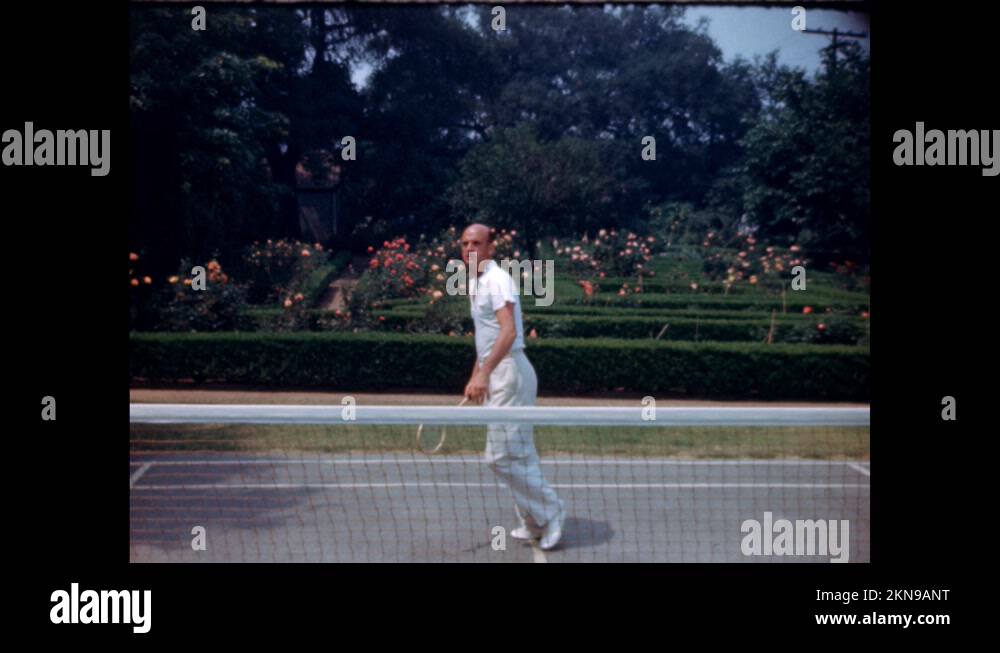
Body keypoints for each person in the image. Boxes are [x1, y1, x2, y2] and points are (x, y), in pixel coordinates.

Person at [459, 223, 566, 550]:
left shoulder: (497, 280)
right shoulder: (477, 284)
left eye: (476, 243)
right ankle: (531, 520)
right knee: (519, 452)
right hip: (497, 373)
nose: (469, 249)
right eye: (464, 244)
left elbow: (508, 333)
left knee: (500, 456)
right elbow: (487, 340)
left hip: (511, 373)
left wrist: (485, 373)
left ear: (491, 247)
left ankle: (551, 511)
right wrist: (475, 374)